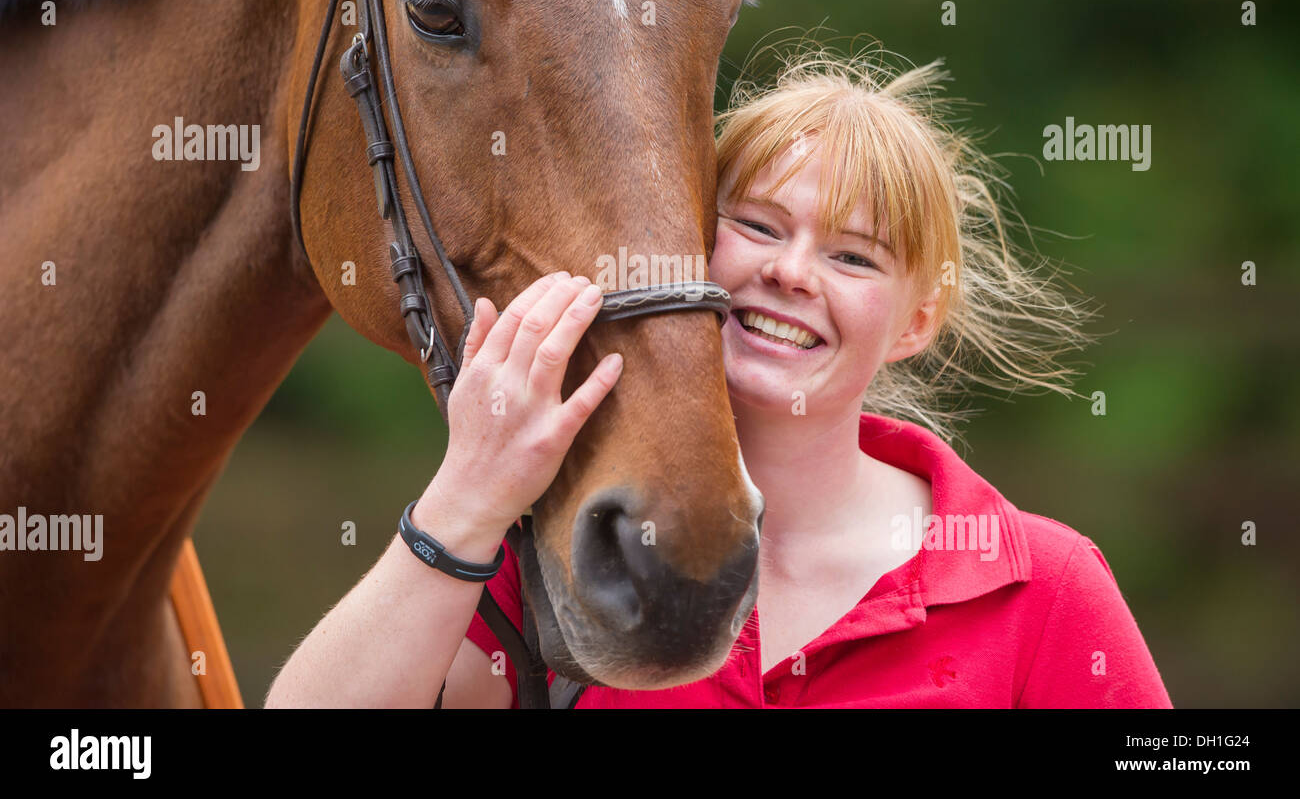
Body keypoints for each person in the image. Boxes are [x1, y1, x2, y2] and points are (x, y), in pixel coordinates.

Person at [266, 43, 1173, 709]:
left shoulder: (1043, 587)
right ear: (692, 241)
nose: (792, 272)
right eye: (762, 227)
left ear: (916, 322)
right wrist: (466, 495)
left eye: (854, 258)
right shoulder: (568, 543)